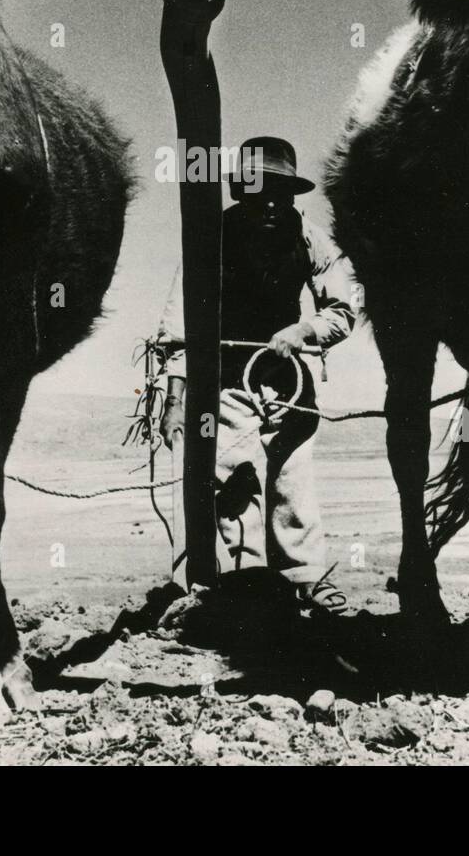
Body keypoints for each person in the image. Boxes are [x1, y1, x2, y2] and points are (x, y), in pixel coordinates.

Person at [156, 136, 355, 614]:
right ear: (242, 191)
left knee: (293, 483)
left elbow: (344, 307)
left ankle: (305, 579)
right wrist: (175, 400)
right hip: (226, 384)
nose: (270, 201)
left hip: (290, 383)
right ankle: (245, 585)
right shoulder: (211, 239)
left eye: (280, 192)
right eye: (260, 189)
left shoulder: (309, 236)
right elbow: (180, 330)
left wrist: (303, 329)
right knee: (236, 485)